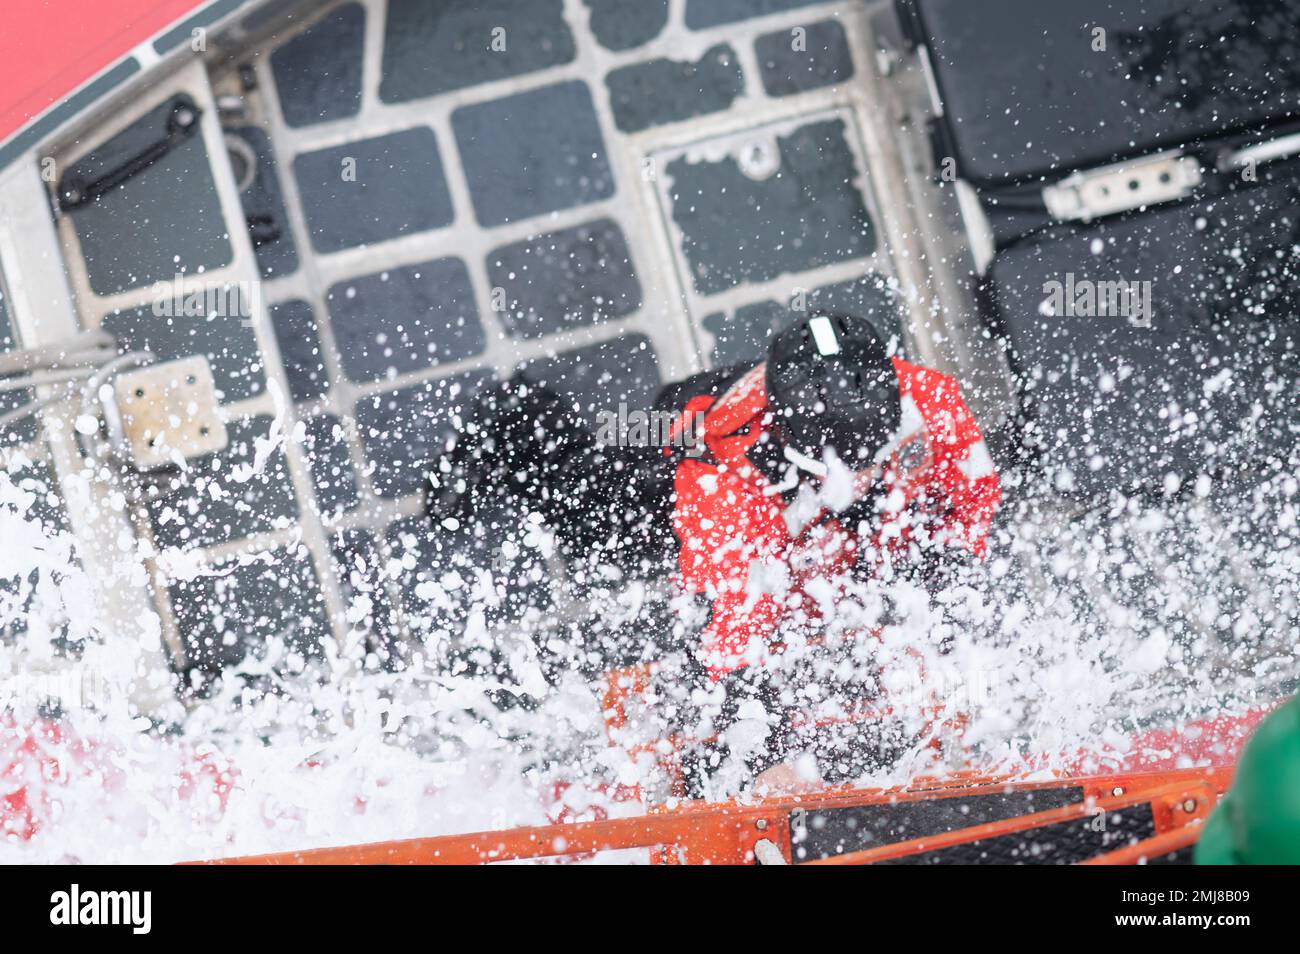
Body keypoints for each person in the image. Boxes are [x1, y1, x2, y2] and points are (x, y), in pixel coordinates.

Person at [429, 312, 1001, 788]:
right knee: (584, 524)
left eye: (868, 453)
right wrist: (773, 760)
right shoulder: (723, 474)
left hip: (783, 471)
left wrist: (949, 634)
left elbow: (973, 511)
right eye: (841, 462)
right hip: (673, 447)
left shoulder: (934, 401)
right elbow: (739, 629)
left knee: (902, 560)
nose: (860, 473)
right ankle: (509, 425)